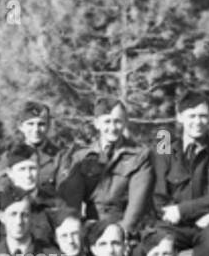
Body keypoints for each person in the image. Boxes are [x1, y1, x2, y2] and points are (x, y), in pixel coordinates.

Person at [151, 91, 209, 256]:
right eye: (192, 116)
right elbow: (158, 196)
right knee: (151, 246)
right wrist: (174, 214)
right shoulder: (164, 149)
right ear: (180, 117)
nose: (197, 122)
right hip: (173, 225)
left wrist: (183, 210)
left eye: (203, 116)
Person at [65, 98, 154, 237]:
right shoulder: (81, 157)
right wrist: (79, 228)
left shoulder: (140, 156)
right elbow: (73, 201)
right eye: (107, 121)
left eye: (118, 121)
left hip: (125, 226)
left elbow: (138, 202)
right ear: (97, 124)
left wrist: (123, 231)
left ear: (125, 122)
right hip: (91, 224)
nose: (112, 128)